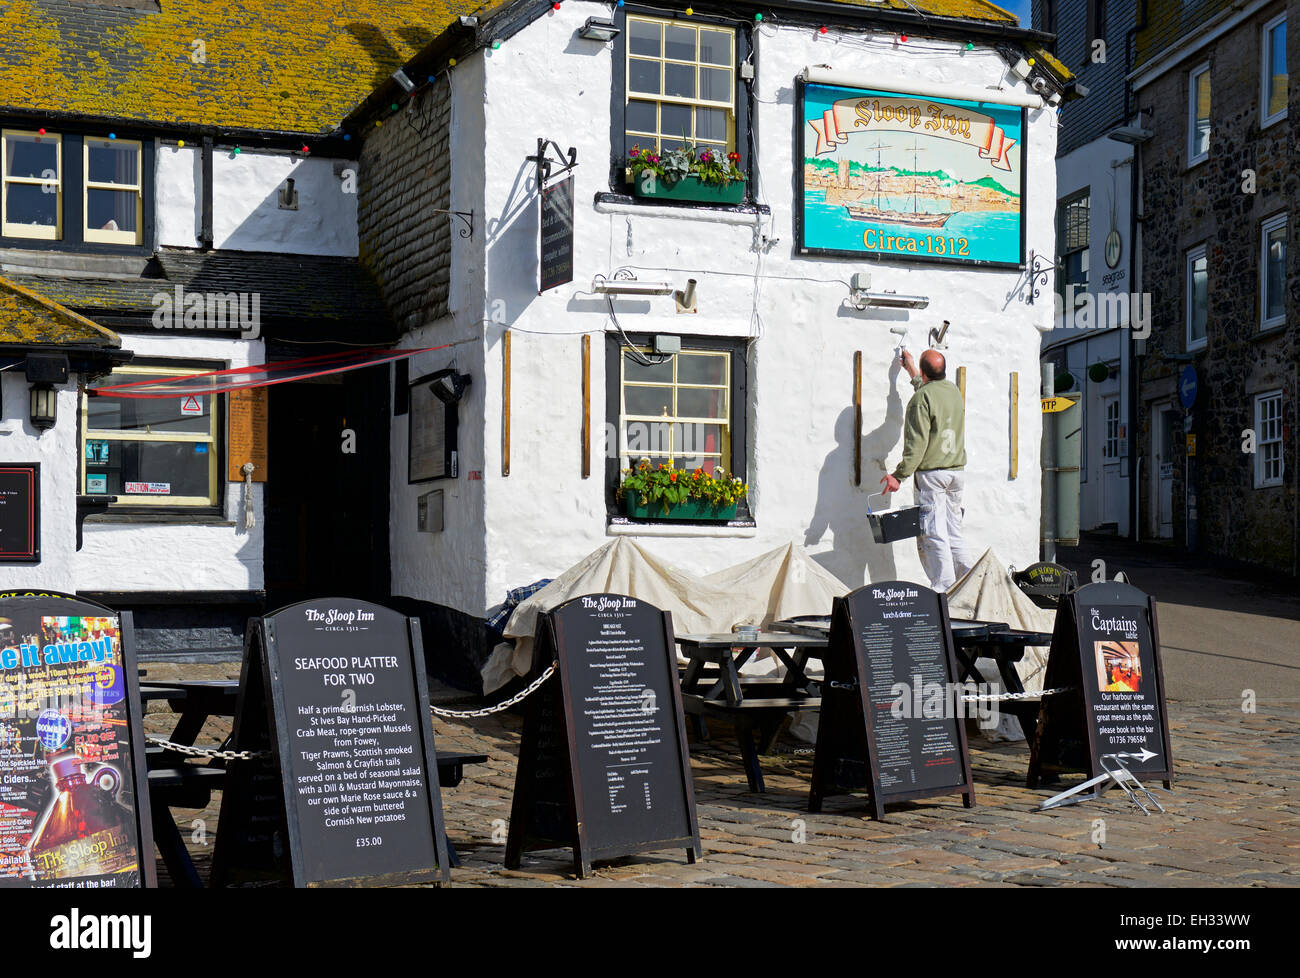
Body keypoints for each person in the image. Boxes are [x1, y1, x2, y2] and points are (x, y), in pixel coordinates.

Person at [880, 347, 977, 591]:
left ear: (924, 372)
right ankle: (968, 585)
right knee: (954, 531)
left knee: (934, 533)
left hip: (933, 475)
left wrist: (898, 476)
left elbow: (917, 445)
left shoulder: (920, 400)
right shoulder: (953, 391)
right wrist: (913, 371)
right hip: (956, 472)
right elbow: (929, 394)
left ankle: (942, 590)